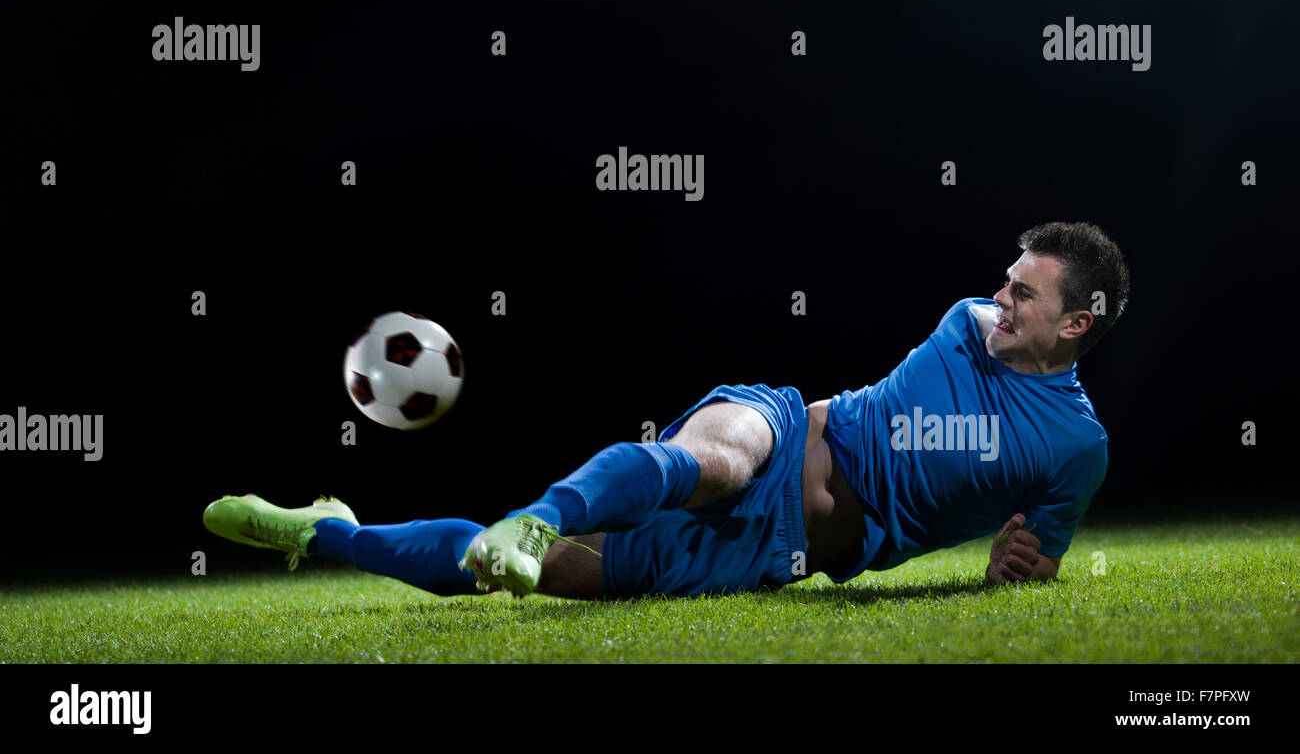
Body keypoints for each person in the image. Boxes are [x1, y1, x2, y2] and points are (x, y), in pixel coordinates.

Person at [203, 220, 1128, 598]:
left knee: (518, 576)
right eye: (1004, 283)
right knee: (713, 458)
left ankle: (328, 532)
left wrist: (1017, 561)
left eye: (1023, 296)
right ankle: (540, 515)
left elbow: (1032, 561)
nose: (996, 300)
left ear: (1077, 322)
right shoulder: (966, 321)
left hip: (781, 548)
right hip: (783, 427)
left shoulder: (1076, 447)